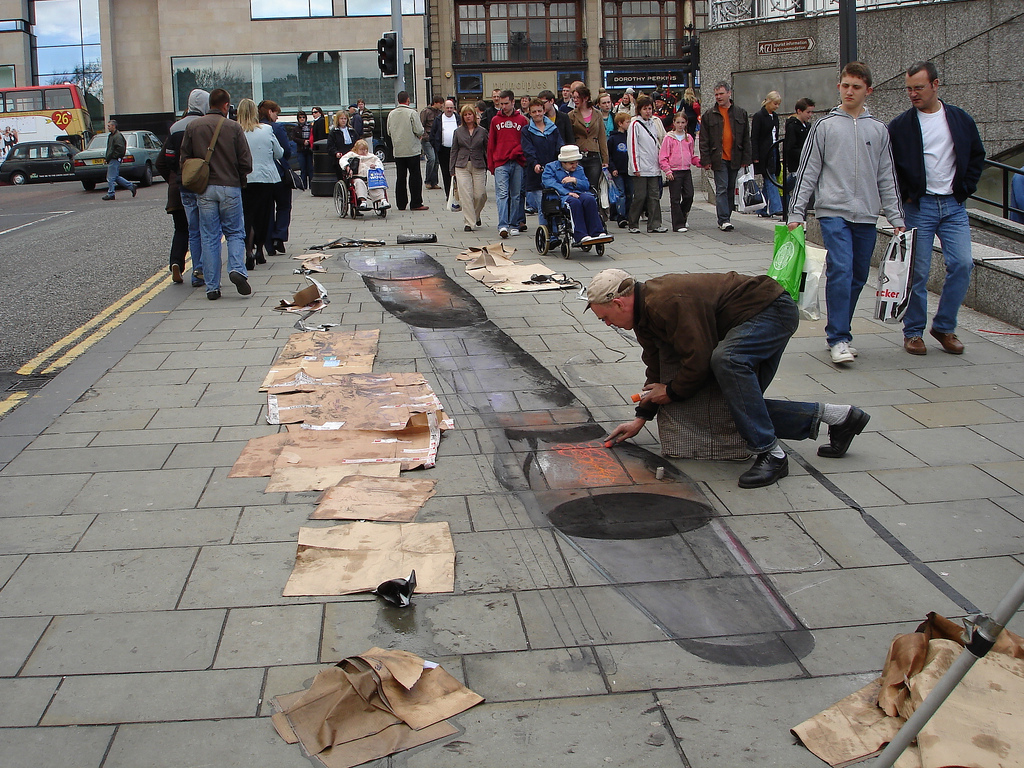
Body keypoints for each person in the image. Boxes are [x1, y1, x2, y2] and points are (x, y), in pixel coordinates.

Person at [585, 268, 871, 489]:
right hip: (748, 320)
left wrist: (670, 392)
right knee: (739, 407)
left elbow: (698, 360)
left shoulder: (665, 302)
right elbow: (657, 366)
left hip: (770, 311)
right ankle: (840, 417)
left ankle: (772, 454)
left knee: (727, 361)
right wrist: (641, 416)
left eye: (605, 318)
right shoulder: (645, 316)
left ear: (620, 303)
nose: (608, 324)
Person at [789, 61, 905, 365]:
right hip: (832, 211)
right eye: (845, 85)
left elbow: (886, 175)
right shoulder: (824, 126)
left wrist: (896, 218)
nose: (849, 91)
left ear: (868, 90)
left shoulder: (878, 130)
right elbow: (808, 171)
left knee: (858, 275)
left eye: (856, 86)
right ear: (839, 87)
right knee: (840, 268)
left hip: (866, 214)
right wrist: (796, 212)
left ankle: (841, 331)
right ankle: (838, 337)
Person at [889, 61, 985, 357]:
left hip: (954, 205)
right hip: (920, 205)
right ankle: (914, 332)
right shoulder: (902, 125)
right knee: (918, 272)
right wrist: (903, 198)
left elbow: (977, 154)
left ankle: (944, 326)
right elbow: (890, 166)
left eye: (918, 87)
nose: (913, 94)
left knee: (962, 264)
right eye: (908, 88)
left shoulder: (958, 119)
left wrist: (966, 188)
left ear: (935, 85)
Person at [180, 88, 253, 300]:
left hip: (204, 189)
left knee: (209, 236)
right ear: (225, 106)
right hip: (230, 186)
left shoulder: (193, 126)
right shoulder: (233, 127)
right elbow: (246, 162)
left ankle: (212, 287)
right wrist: (238, 175)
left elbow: (184, 159)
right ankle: (237, 269)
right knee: (235, 232)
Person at [156, 88, 208, 287]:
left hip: (176, 188)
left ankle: (176, 262)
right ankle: (200, 269)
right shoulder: (203, 125)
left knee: (181, 229)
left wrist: (174, 176)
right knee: (201, 230)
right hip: (198, 185)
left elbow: (163, 161)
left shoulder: (175, 128)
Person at [699, 81, 751, 232]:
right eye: (716, 94)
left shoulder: (740, 113)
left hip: (735, 156)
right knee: (721, 187)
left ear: (729, 93)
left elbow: (746, 138)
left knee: (730, 188)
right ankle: (724, 219)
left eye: (721, 94)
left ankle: (726, 216)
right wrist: (706, 160)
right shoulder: (709, 115)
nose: (719, 97)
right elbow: (704, 139)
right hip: (718, 157)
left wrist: (746, 159)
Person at [238, 99, 283, 270]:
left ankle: (248, 251)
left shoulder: (236, 131)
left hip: (244, 179)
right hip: (265, 178)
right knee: (263, 215)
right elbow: (279, 153)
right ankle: (260, 250)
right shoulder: (267, 129)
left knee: (247, 215)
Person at [541, 145, 612, 246]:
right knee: (574, 203)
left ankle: (597, 232)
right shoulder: (551, 168)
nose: (575, 165)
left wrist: (575, 180)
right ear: (563, 162)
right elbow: (549, 182)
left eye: (576, 163)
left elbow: (586, 184)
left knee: (590, 199)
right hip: (560, 196)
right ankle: (580, 235)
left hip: (579, 193)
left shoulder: (579, 169)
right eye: (571, 163)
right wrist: (567, 192)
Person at [487, 89, 528, 238]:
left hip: (517, 161)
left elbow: (525, 141)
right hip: (501, 161)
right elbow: (491, 143)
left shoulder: (522, 120)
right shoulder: (495, 120)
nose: (503, 106)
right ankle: (503, 225)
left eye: (506, 103)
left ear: (512, 102)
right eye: (501, 103)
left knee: (516, 195)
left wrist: (519, 153)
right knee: (502, 194)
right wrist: (491, 163)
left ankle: (514, 224)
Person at [521, 97, 564, 231]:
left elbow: (559, 145)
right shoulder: (526, 130)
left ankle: (556, 228)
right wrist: (534, 164)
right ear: (530, 113)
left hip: (553, 170)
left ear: (544, 111)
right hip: (537, 172)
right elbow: (528, 150)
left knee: (555, 201)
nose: (537, 114)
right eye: (534, 112)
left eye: (539, 111)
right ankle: (547, 231)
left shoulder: (553, 128)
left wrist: (561, 160)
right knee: (542, 205)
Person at [626, 95, 667, 234]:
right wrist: (635, 167)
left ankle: (654, 224)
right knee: (640, 196)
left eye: (650, 108)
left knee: (654, 196)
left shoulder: (654, 123)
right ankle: (633, 222)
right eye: (645, 109)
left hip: (653, 167)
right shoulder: (634, 125)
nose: (648, 111)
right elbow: (632, 147)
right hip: (641, 167)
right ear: (639, 110)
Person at [259, 100, 293, 257]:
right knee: (284, 206)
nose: (277, 117)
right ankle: (278, 236)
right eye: (276, 113)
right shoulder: (276, 128)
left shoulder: (253, 127)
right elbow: (286, 150)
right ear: (270, 112)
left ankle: (267, 242)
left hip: (261, 176)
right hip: (279, 172)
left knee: (266, 209)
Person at [386, 90, 428, 211]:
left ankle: (401, 203)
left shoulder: (391, 114)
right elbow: (419, 130)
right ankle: (416, 202)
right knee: (415, 176)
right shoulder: (412, 113)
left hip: (398, 150)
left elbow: (389, 132)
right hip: (412, 150)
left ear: (398, 100)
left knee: (400, 177)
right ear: (408, 100)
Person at [658, 111, 700, 233]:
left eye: (683, 122)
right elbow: (663, 156)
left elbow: (691, 155)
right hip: (674, 171)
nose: (680, 125)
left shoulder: (689, 138)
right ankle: (677, 224)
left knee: (689, 195)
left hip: (686, 170)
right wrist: (667, 170)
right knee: (675, 198)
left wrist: (699, 162)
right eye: (678, 122)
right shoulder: (669, 138)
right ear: (674, 123)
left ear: (686, 123)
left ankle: (682, 215)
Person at [450, 104, 488, 231]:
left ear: (474, 115)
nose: (468, 117)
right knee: (466, 195)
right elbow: (454, 150)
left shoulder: (482, 131)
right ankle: (469, 222)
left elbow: (487, 149)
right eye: (465, 115)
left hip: (479, 165)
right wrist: (451, 169)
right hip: (461, 165)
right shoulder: (458, 132)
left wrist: (491, 165)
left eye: (470, 114)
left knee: (480, 195)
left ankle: (475, 215)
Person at [568, 84, 609, 198]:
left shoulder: (597, 114)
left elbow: (602, 137)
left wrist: (605, 159)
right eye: (574, 98)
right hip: (578, 154)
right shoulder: (571, 115)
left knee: (593, 186)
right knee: (579, 185)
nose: (575, 100)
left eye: (577, 97)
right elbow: (569, 137)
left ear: (585, 98)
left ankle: (593, 211)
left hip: (594, 154)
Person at [751, 90, 784, 217]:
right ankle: (776, 207)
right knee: (770, 178)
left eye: (778, 104)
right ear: (769, 102)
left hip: (773, 150)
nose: (776, 107)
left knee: (769, 179)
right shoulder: (759, 116)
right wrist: (755, 156)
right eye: (775, 104)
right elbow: (754, 137)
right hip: (764, 152)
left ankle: (762, 208)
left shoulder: (775, 117)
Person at [339, 139, 390, 212]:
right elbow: (342, 160)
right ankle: (363, 202)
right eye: (362, 149)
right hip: (357, 177)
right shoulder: (351, 155)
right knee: (359, 183)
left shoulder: (371, 156)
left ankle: (383, 200)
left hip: (370, 177)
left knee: (376, 184)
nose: (364, 151)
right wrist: (347, 166)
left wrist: (375, 166)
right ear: (356, 149)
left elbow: (379, 163)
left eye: (365, 149)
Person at [783, 97, 815, 202]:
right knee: (791, 185)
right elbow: (790, 147)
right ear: (799, 111)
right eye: (808, 112)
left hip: (806, 163)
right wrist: (804, 154)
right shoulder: (793, 126)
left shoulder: (808, 126)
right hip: (797, 164)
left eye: (811, 112)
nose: (810, 115)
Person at [429, 98, 460, 198]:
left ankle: (459, 194)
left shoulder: (458, 118)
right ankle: (449, 194)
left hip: (457, 150)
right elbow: (432, 135)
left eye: (451, 108)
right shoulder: (438, 119)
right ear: (444, 108)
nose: (449, 110)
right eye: (447, 108)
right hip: (443, 150)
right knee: (446, 173)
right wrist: (437, 147)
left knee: (458, 172)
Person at [101, 120, 137, 200]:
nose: (108, 127)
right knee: (115, 177)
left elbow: (120, 148)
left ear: (114, 126)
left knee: (110, 177)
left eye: (109, 126)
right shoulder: (112, 136)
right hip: (113, 158)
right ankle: (131, 186)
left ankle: (111, 194)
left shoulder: (117, 136)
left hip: (114, 159)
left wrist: (113, 156)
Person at [607, 110, 632, 228]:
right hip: (618, 169)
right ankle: (621, 215)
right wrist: (612, 168)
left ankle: (629, 215)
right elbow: (609, 155)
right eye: (628, 122)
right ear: (620, 123)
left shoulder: (630, 136)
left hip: (629, 169)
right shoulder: (612, 139)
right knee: (621, 193)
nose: (630, 124)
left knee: (629, 193)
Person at [327, 110, 358, 179]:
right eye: (341, 119)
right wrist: (336, 153)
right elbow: (330, 146)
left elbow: (357, 143)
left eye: (345, 119)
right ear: (338, 120)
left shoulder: (352, 131)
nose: (343, 121)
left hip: (351, 157)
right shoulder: (334, 132)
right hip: (340, 157)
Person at [420, 95, 443, 189]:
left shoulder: (440, 113)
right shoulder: (426, 112)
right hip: (428, 139)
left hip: (437, 139)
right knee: (432, 159)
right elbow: (421, 125)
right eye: (440, 103)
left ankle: (434, 182)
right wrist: (425, 136)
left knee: (436, 161)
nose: (441, 105)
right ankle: (428, 180)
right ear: (436, 103)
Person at [294, 109, 313, 188]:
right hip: (301, 150)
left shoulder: (310, 127)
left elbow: (312, 136)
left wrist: (309, 142)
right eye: (300, 117)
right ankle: (303, 186)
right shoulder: (296, 128)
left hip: (309, 150)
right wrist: (303, 141)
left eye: (303, 117)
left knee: (310, 168)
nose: (302, 119)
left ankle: (312, 186)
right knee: (303, 169)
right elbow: (294, 138)